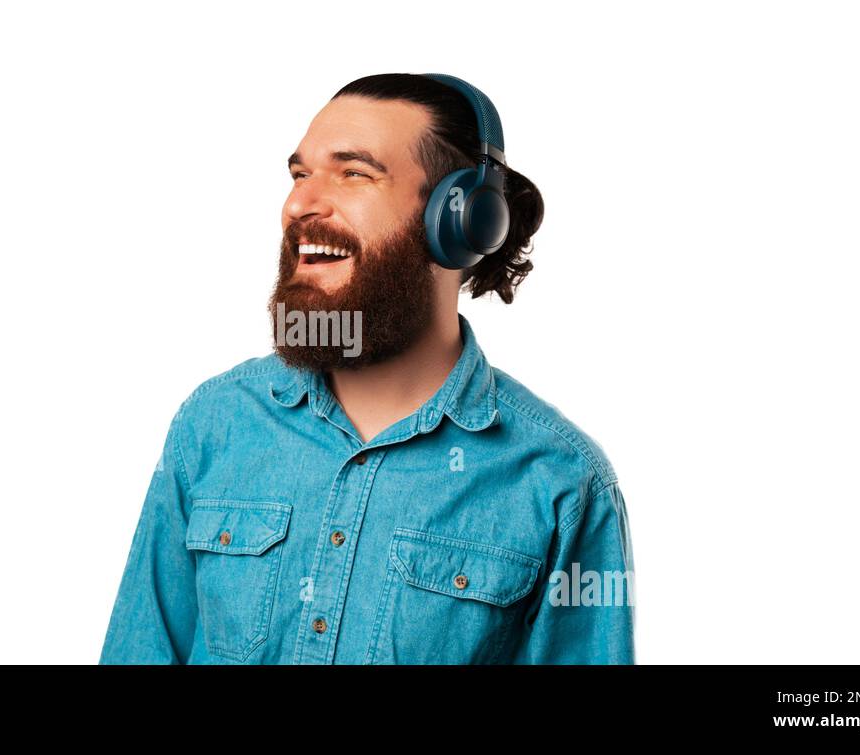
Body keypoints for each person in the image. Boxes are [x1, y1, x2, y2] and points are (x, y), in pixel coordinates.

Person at [99, 73, 635, 664]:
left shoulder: (561, 481)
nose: (299, 204)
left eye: (355, 173)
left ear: (461, 220)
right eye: (300, 174)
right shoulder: (217, 422)